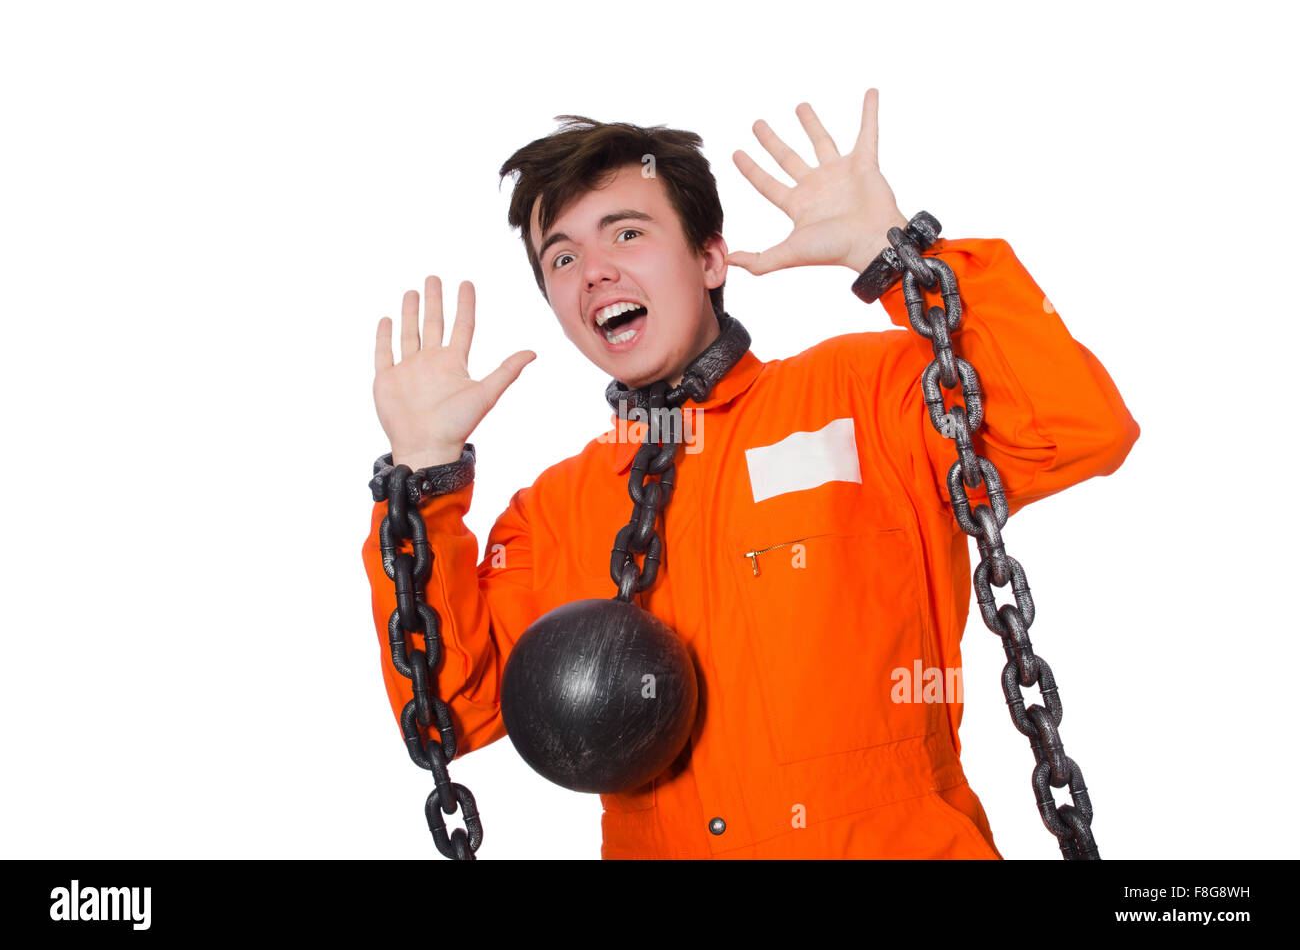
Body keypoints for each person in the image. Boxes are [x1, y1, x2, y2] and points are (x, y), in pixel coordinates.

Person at [362, 89, 1140, 858]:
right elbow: (447, 713)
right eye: (563, 258)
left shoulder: (865, 396)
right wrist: (424, 475)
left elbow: (1075, 430)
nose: (594, 272)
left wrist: (898, 258)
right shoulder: (553, 513)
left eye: (626, 233)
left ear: (709, 258)